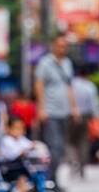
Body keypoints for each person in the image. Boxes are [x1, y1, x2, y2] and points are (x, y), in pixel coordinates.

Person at [33, 33, 80, 183]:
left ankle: (52, 179)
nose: (62, 48)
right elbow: (39, 85)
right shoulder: (45, 63)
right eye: (59, 46)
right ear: (53, 46)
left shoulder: (67, 63)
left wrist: (74, 107)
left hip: (64, 112)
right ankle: (49, 180)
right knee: (55, 147)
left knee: (61, 149)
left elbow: (69, 87)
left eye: (64, 46)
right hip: (50, 112)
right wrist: (41, 108)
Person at [0, 116, 45, 192]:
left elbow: (28, 144)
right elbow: (14, 153)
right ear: (8, 129)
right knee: (22, 179)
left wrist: (34, 146)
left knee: (34, 175)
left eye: (21, 128)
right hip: (9, 169)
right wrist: (23, 151)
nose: (19, 131)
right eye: (17, 128)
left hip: (20, 167)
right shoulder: (7, 140)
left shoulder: (21, 139)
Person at [69, 64, 99, 178]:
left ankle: (73, 163)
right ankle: (82, 166)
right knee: (83, 142)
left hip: (71, 115)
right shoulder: (90, 86)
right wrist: (96, 117)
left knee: (70, 142)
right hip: (86, 116)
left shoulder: (72, 84)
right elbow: (94, 104)